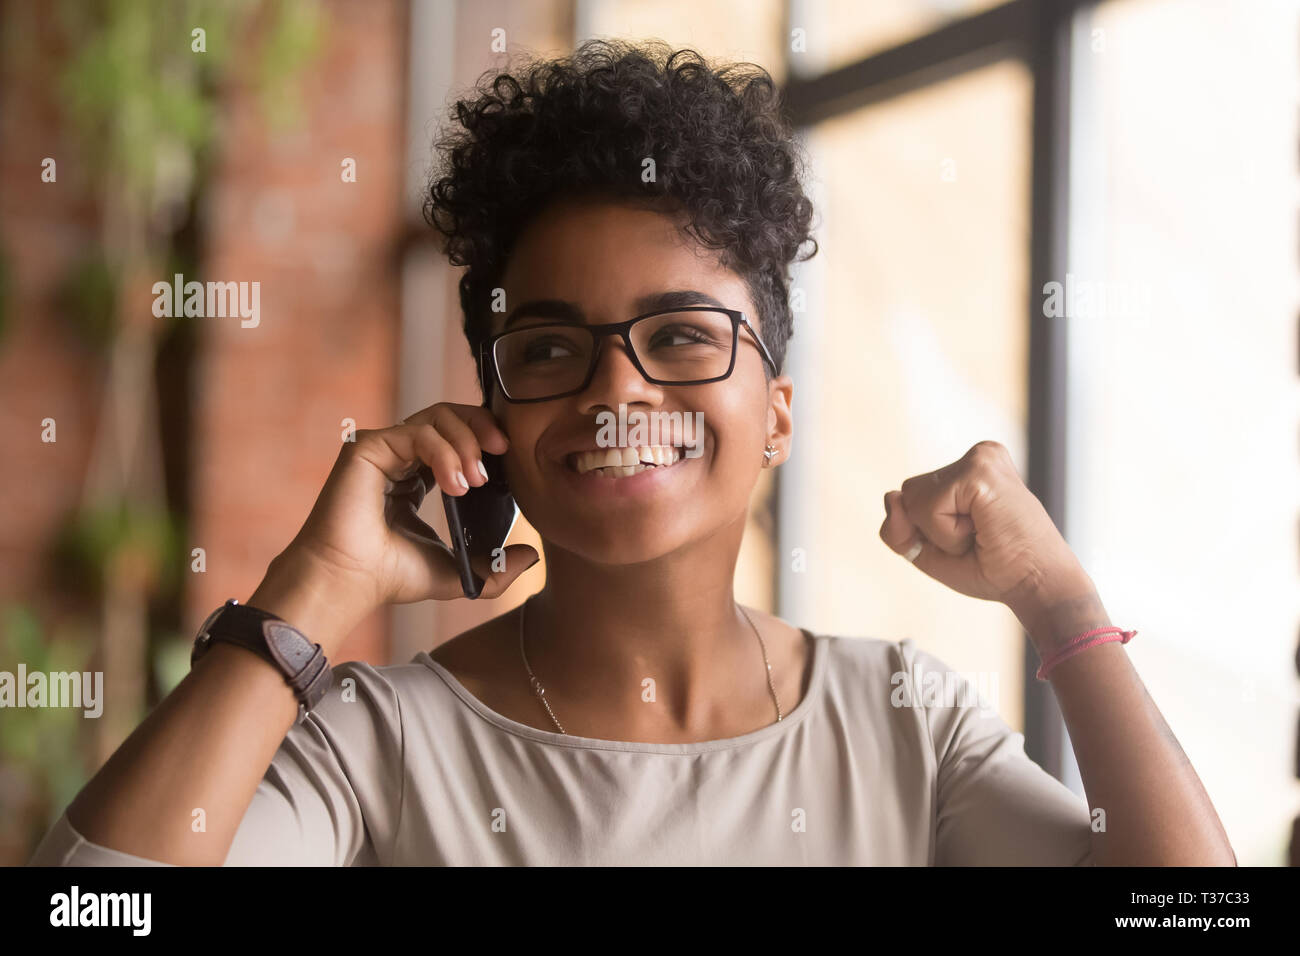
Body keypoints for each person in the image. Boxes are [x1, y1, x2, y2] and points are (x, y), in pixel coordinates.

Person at [28, 38, 1234, 867]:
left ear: (775, 411)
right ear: (493, 413)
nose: (618, 386)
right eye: (550, 348)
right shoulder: (382, 744)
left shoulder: (900, 719)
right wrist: (315, 591)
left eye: (679, 335)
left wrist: (1056, 594)